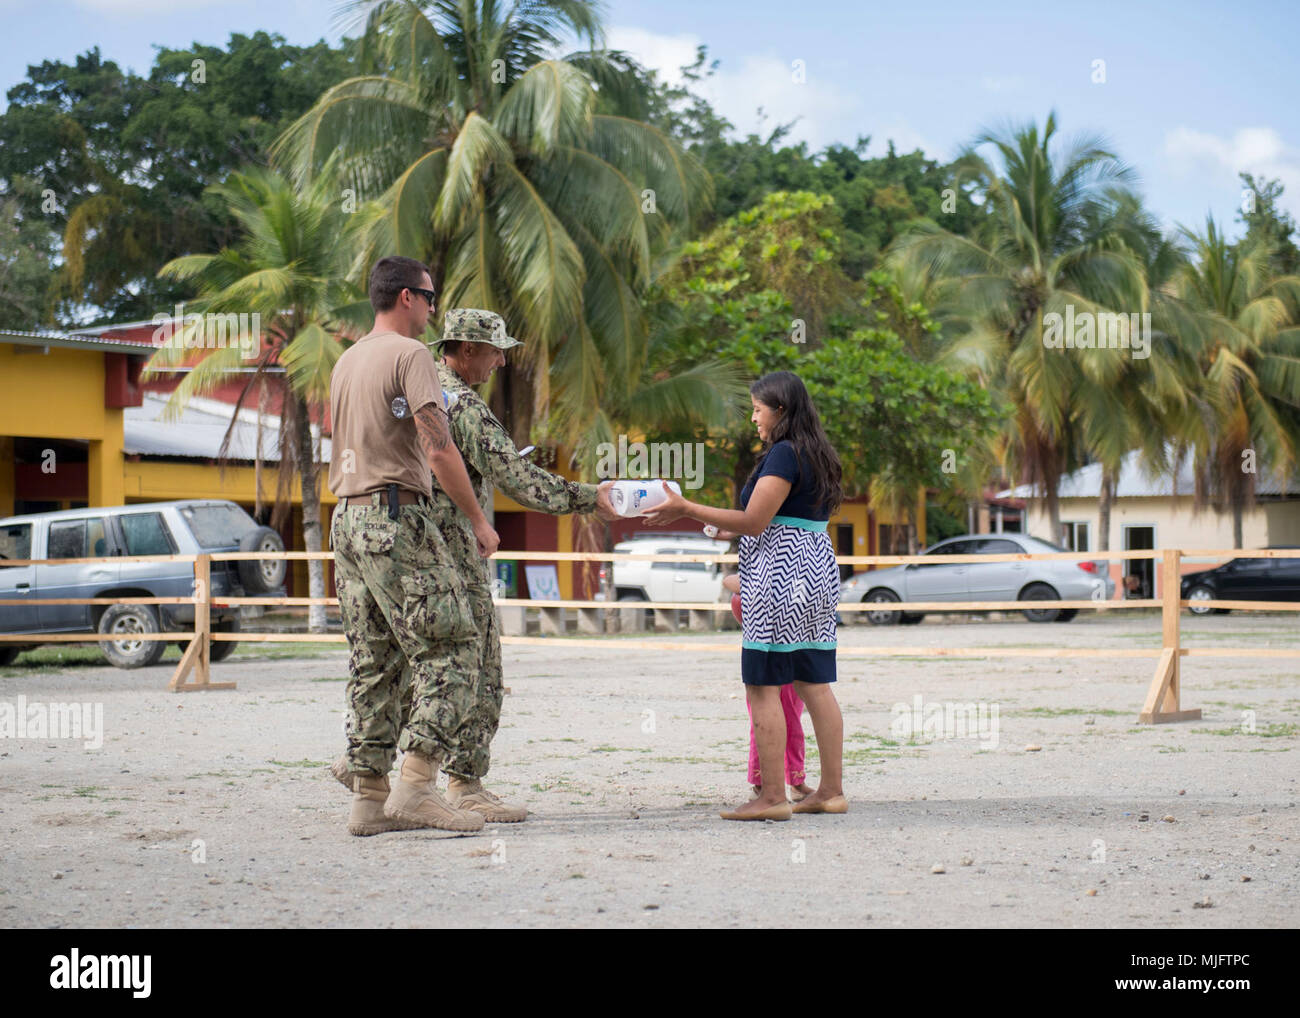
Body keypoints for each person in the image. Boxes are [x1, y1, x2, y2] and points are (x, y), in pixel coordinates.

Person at [332, 308, 617, 822]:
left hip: (365, 531)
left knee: (381, 661)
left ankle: (370, 783)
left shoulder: (372, 369)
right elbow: (518, 479)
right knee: (471, 661)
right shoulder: (457, 402)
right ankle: (455, 782)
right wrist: (590, 496)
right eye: (493, 350)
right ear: (465, 350)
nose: (501, 361)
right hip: (442, 553)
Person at [327, 255, 500, 837]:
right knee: (455, 646)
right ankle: (418, 784)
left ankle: (369, 801)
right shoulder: (412, 355)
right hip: (394, 517)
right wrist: (478, 520)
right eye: (429, 297)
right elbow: (438, 446)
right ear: (406, 297)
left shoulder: (346, 360)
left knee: (375, 661)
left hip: (346, 522)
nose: (433, 307)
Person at [644, 370, 847, 820]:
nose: (753, 418)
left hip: (779, 576)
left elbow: (755, 522)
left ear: (781, 411)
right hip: (816, 571)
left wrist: (685, 507)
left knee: (763, 683)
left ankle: (772, 796)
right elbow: (780, 519)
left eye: (758, 409)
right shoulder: (820, 454)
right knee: (814, 682)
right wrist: (720, 525)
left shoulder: (782, 454)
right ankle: (831, 790)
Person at [723, 572, 814, 801]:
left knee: (793, 721)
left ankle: (796, 780)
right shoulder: (761, 565)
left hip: (794, 647)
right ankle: (759, 781)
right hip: (763, 648)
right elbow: (729, 580)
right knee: (761, 722)